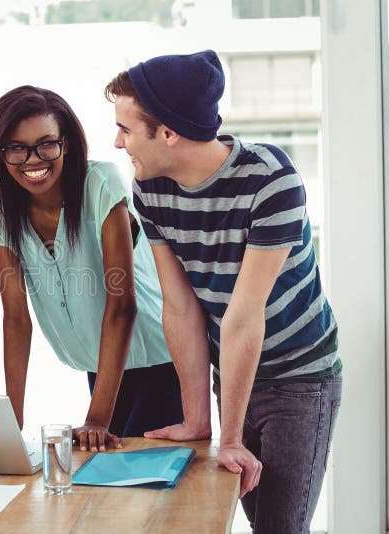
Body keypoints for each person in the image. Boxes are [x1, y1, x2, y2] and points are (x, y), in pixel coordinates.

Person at [106, 50, 341, 533]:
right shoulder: (150, 189)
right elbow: (181, 305)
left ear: (168, 133)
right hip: (233, 370)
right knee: (249, 511)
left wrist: (229, 438)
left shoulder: (270, 179)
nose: (117, 141)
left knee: (278, 526)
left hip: (300, 377)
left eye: (126, 129)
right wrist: (199, 421)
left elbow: (243, 315)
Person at [0, 85, 183, 452]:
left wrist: (96, 419)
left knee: (149, 492)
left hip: (160, 359)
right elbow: (15, 316)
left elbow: (122, 306)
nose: (33, 160)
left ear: (67, 144)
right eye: (16, 148)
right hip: (101, 362)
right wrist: (11, 420)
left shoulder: (100, 183)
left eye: (46, 144)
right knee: (112, 490)